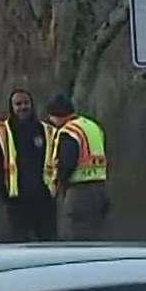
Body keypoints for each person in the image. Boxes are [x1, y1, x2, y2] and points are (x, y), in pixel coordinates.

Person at [0, 88, 57, 241]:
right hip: (16, 199)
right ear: (11, 107)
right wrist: (3, 195)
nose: (23, 107)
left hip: (44, 197)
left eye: (26, 103)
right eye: (18, 104)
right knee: (20, 243)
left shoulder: (47, 130)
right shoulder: (1, 131)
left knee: (49, 244)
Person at [46, 93, 110, 239]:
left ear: (56, 115)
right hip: (100, 187)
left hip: (79, 192)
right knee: (97, 236)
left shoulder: (68, 131)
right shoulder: (93, 126)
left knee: (75, 237)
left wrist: (56, 187)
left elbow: (66, 163)